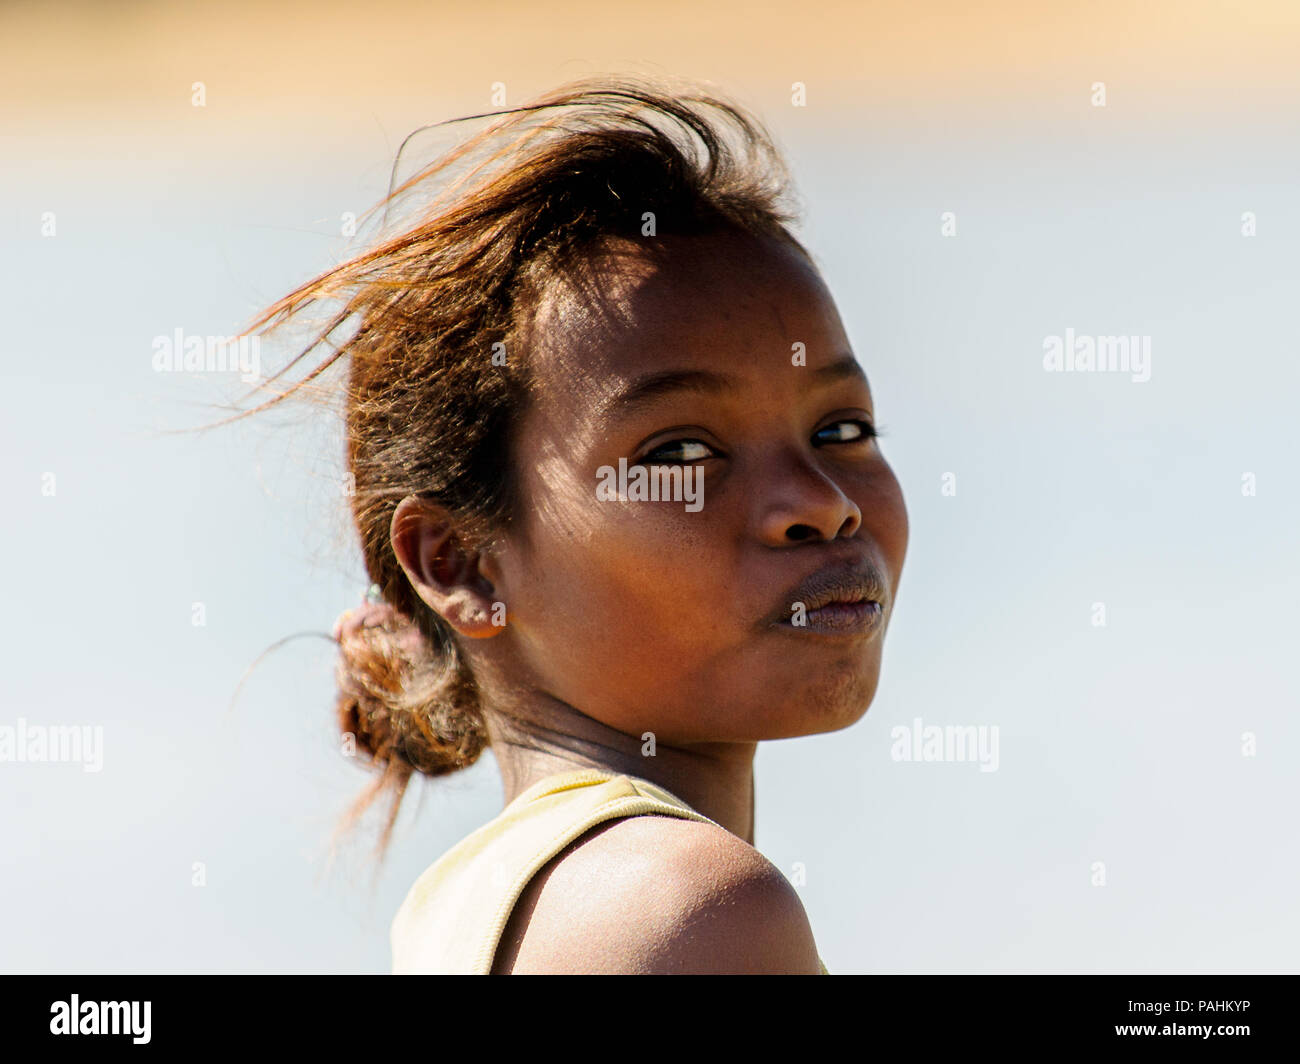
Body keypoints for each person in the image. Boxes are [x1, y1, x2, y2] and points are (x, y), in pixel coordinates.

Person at [240, 75, 908, 973]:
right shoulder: (685, 911)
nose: (824, 501)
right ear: (464, 562)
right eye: (681, 455)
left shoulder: (469, 910)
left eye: (842, 430)